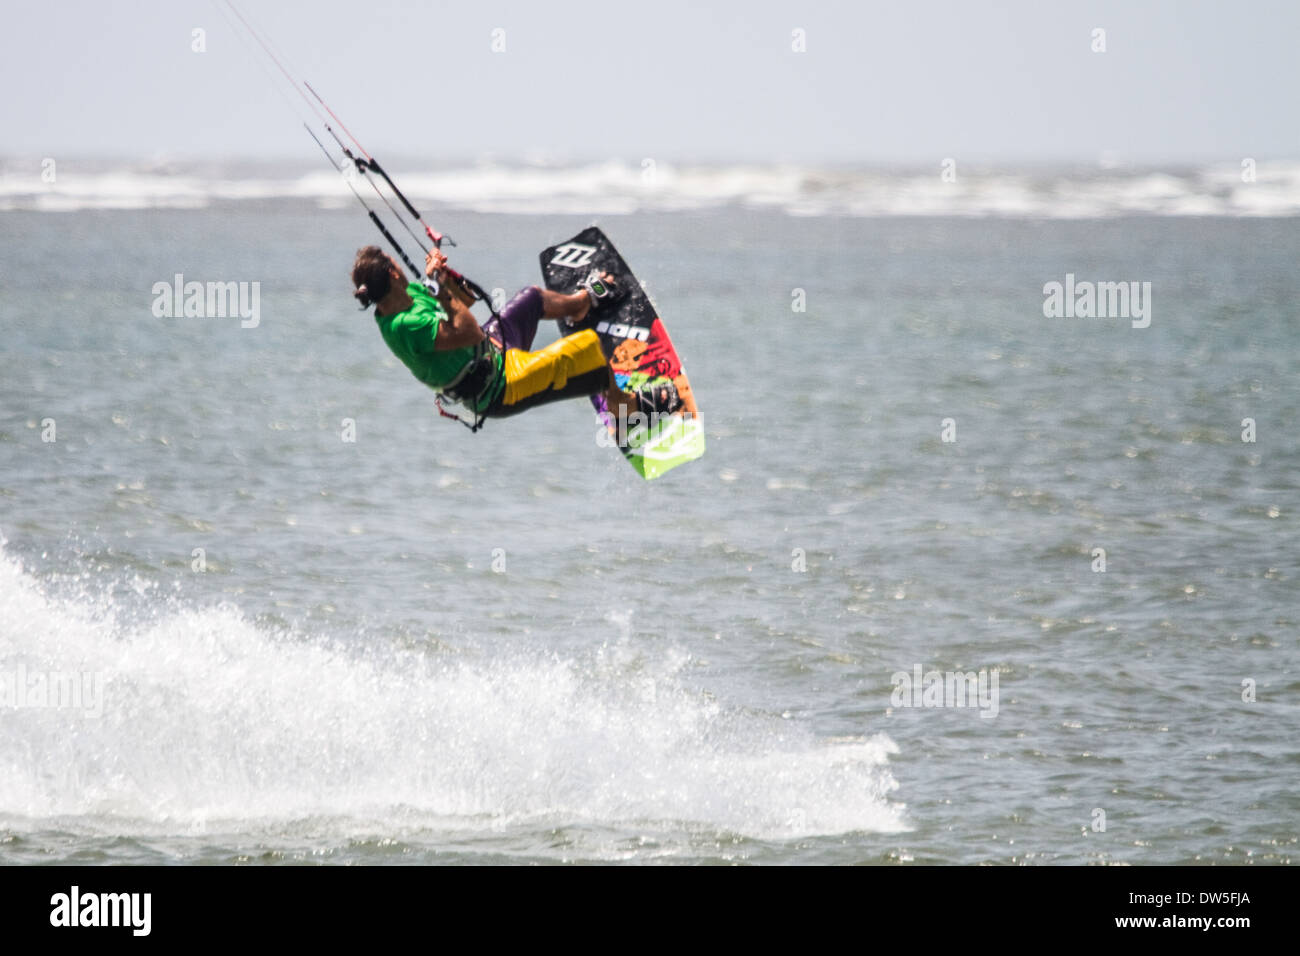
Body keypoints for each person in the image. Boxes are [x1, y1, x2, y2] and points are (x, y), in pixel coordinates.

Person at [351, 245, 642, 427]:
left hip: (494, 352)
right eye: (394, 262)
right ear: (392, 273)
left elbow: (464, 303)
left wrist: (444, 275)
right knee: (588, 345)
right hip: (498, 390)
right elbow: (470, 333)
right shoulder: (403, 326)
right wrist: (438, 288)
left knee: (532, 298)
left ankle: (580, 305)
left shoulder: (411, 293)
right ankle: (622, 406)